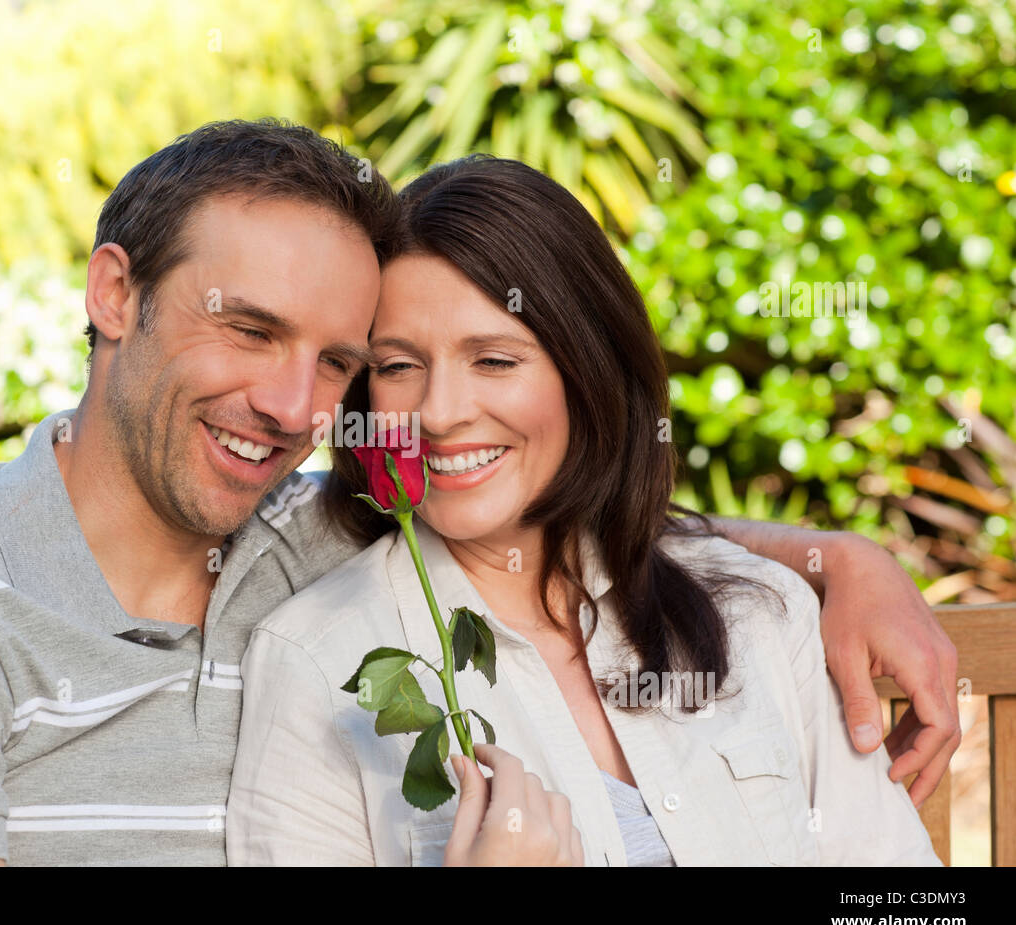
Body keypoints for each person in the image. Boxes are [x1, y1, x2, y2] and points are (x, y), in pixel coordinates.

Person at [0, 120, 957, 867]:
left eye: (338, 360)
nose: (292, 406)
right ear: (114, 294)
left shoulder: (306, 528)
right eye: (247, 328)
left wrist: (829, 557)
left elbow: (549, 502)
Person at [225, 156, 943, 866]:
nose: (438, 414)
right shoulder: (316, 664)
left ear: (588, 369)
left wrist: (847, 555)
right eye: (398, 366)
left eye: (495, 360)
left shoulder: (758, 613)